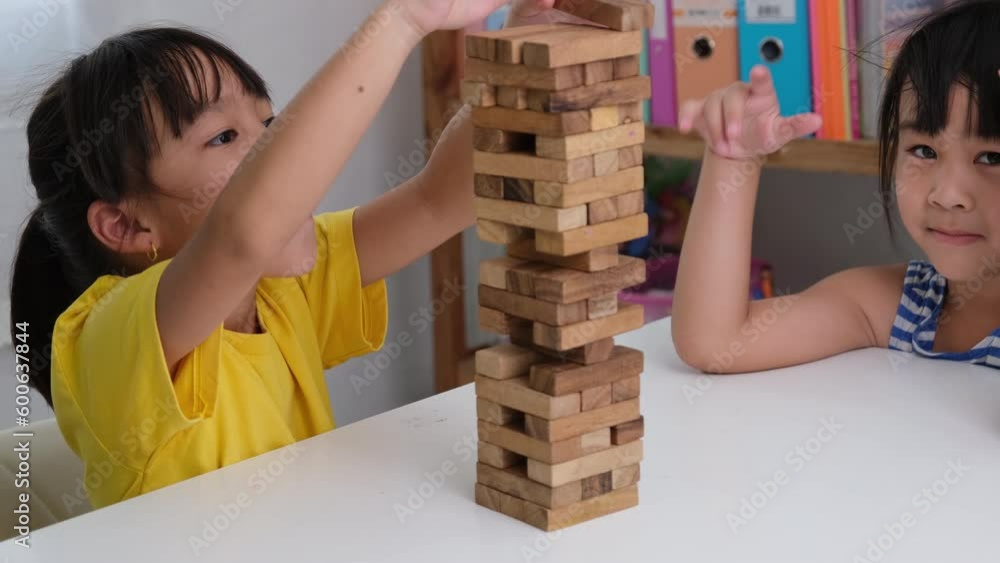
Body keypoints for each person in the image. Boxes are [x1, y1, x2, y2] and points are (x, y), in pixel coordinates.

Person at [8, 0, 557, 508]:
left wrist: (520, 60)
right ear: (126, 224)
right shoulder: (104, 340)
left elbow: (438, 200)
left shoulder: (280, 288)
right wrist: (406, 19)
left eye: (269, 126)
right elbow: (245, 230)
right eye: (224, 137)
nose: (272, 148)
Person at [672, 1, 1000, 373]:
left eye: (992, 158)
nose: (948, 195)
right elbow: (717, 344)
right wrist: (733, 158)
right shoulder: (904, 304)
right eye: (923, 150)